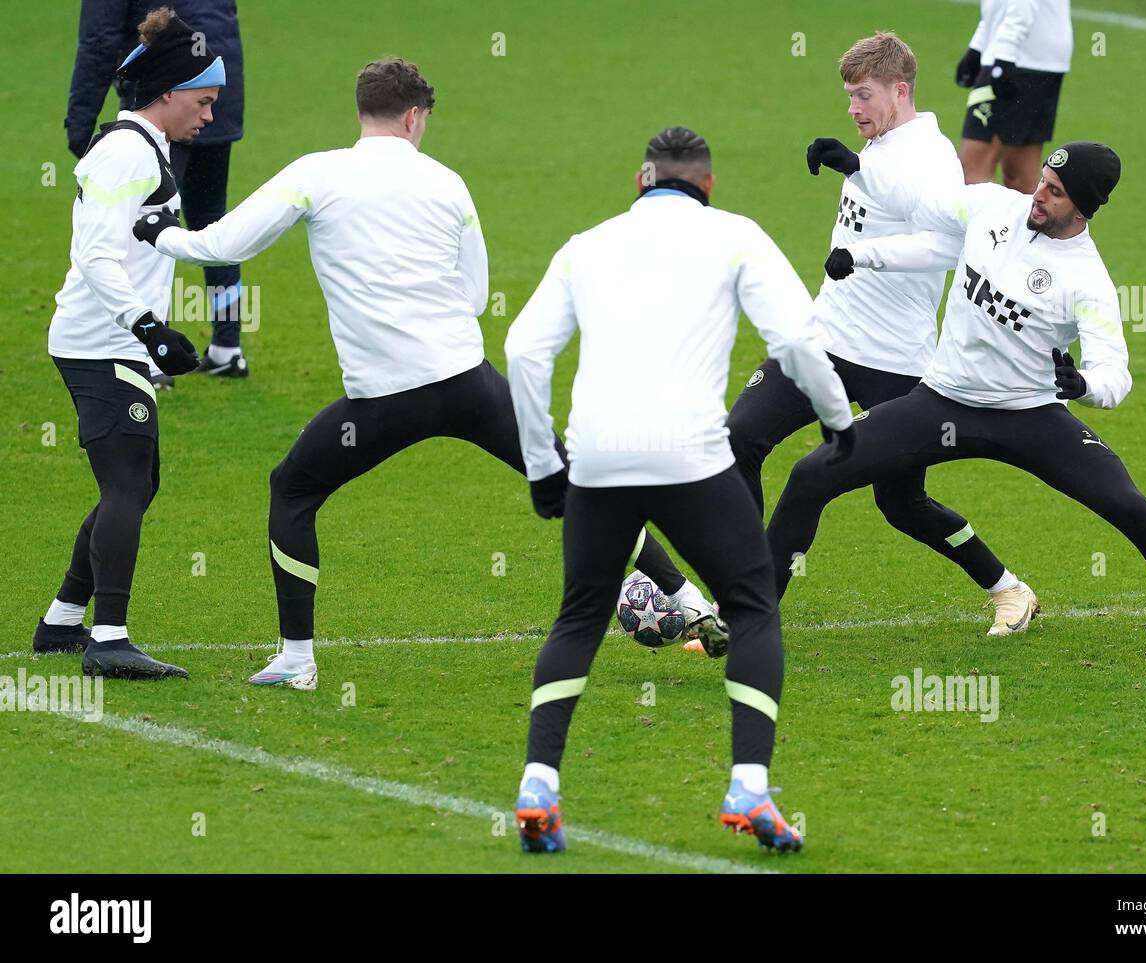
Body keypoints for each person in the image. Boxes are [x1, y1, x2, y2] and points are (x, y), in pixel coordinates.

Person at [132, 58, 708, 691]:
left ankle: (296, 659)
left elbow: (224, 246)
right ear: (413, 116)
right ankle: (689, 598)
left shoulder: (316, 175)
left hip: (383, 401)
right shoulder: (448, 183)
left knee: (293, 491)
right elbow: (475, 290)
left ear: (364, 111)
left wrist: (163, 237)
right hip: (468, 382)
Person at [768, 141, 1146, 655]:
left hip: (1030, 418)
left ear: (1083, 206)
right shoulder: (996, 206)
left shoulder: (1087, 280)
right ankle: (752, 617)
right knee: (811, 475)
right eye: (1042, 180)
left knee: (1128, 506)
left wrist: (1083, 385)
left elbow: (1115, 373)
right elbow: (919, 201)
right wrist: (858, 169)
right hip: (941, 402)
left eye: (1055, 192)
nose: (1039, 195)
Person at [505, 126, 856, 854]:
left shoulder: (587, 244)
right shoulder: (736, 237)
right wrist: (837, 419)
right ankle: (749, 786)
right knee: (755, 606)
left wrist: (544, 463)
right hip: (691, 457)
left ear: (640, 182)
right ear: (708, 186)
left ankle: (538, 784)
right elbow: (795, 338)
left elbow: (521, 349)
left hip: (598, 457)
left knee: (577, 620)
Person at [749, 31, 1041, 634]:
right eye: (849, 97)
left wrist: (865, 254)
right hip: (822, 339)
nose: (853, 109)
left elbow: (944, 244)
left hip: (895, 362)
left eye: (863, 96)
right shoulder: (877, 145)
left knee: (901, 504)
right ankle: (747, 599)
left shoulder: (930, 158)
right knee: (738, 443)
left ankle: (1008, 589)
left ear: (899, 90)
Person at [39, 6, 219, 679]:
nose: (207, 117)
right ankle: (108, 639)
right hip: (99, 341)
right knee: (125, 482)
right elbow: (94, 255)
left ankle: (61, 621)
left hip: (108, 340)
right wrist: (149, 329)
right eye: (202, 102)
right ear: (167, 93)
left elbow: (132, 244)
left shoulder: (150, 147)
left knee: (139, 482)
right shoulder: (122, 152)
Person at [66, 0, 249, 382]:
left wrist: (81, 123)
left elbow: (99, 38)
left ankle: (149, 353)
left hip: (170, 93)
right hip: (218, 87)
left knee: (143, 223)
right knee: (209, 218)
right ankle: (227, 347)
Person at [954, 0, 1073, 192]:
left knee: (972, 170)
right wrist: (979, 45)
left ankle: (987, 224)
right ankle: (1030, 223)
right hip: (1036, 59)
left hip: (1017, 57)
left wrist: (1003, 54)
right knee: (1020, 177)